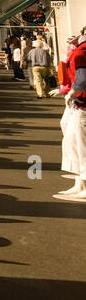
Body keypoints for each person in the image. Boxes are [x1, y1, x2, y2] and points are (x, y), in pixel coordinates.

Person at [55, 29, 86, 200]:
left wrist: (72, 92)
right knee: (73, 143)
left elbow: (81, 80)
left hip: (82, 104)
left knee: (80, 146)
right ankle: (79, 183)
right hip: (80, 104)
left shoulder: (80, 53)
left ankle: (83, 184)